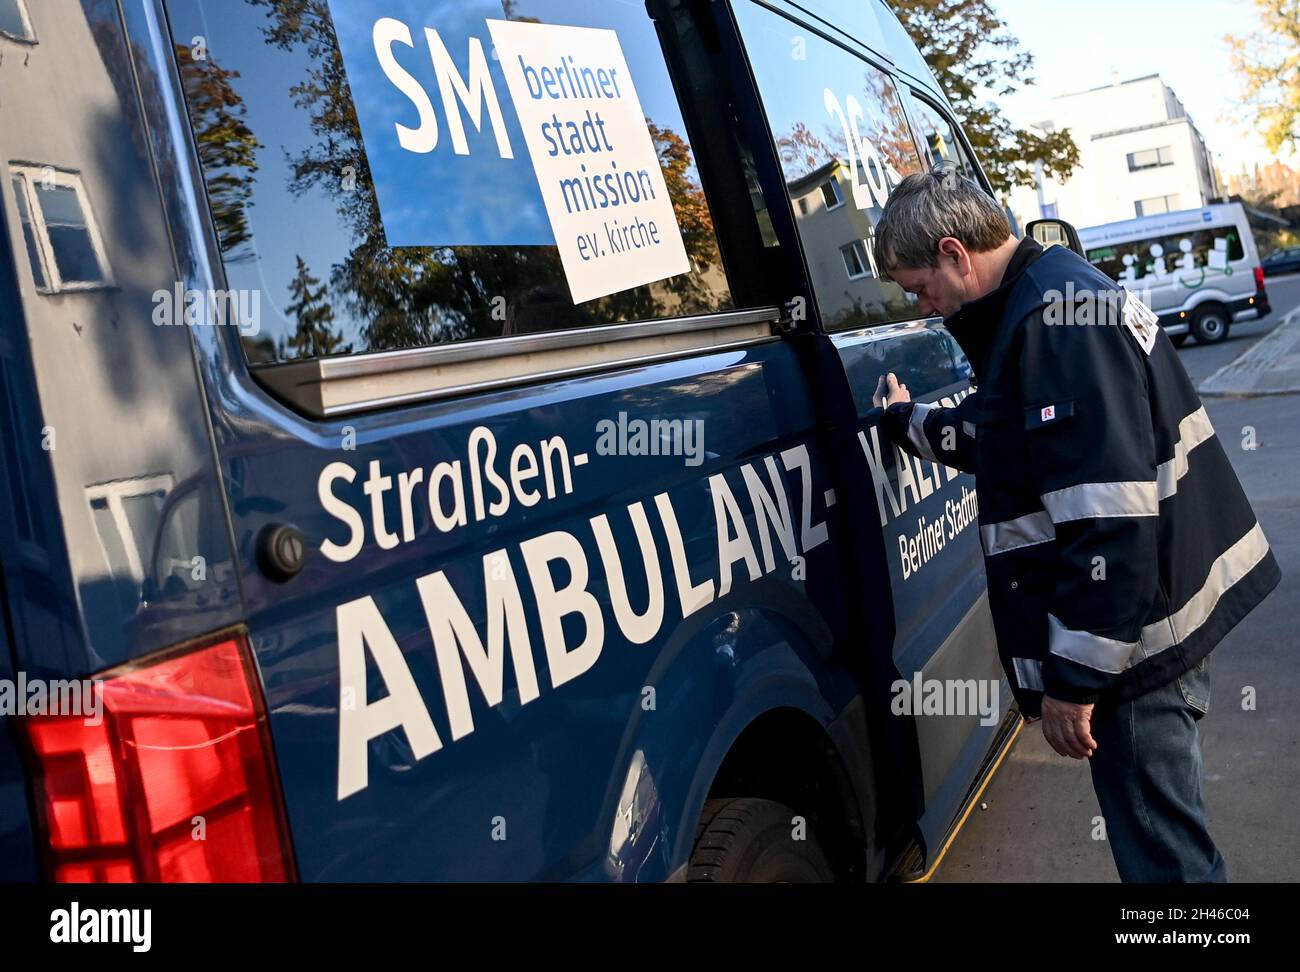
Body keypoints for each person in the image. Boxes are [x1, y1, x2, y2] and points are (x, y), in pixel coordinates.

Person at [870, 168, 1280, 882]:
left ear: (954, 253)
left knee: (1166, 863)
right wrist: (910, 422)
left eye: (917, 287)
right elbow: (1012, 440)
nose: (924, 308)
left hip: (1135, 652)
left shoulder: (1056, 326)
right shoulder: (1050, 296)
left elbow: (1109, 524)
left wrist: (1074, 683)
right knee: (1170, 845)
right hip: (1148, 631)